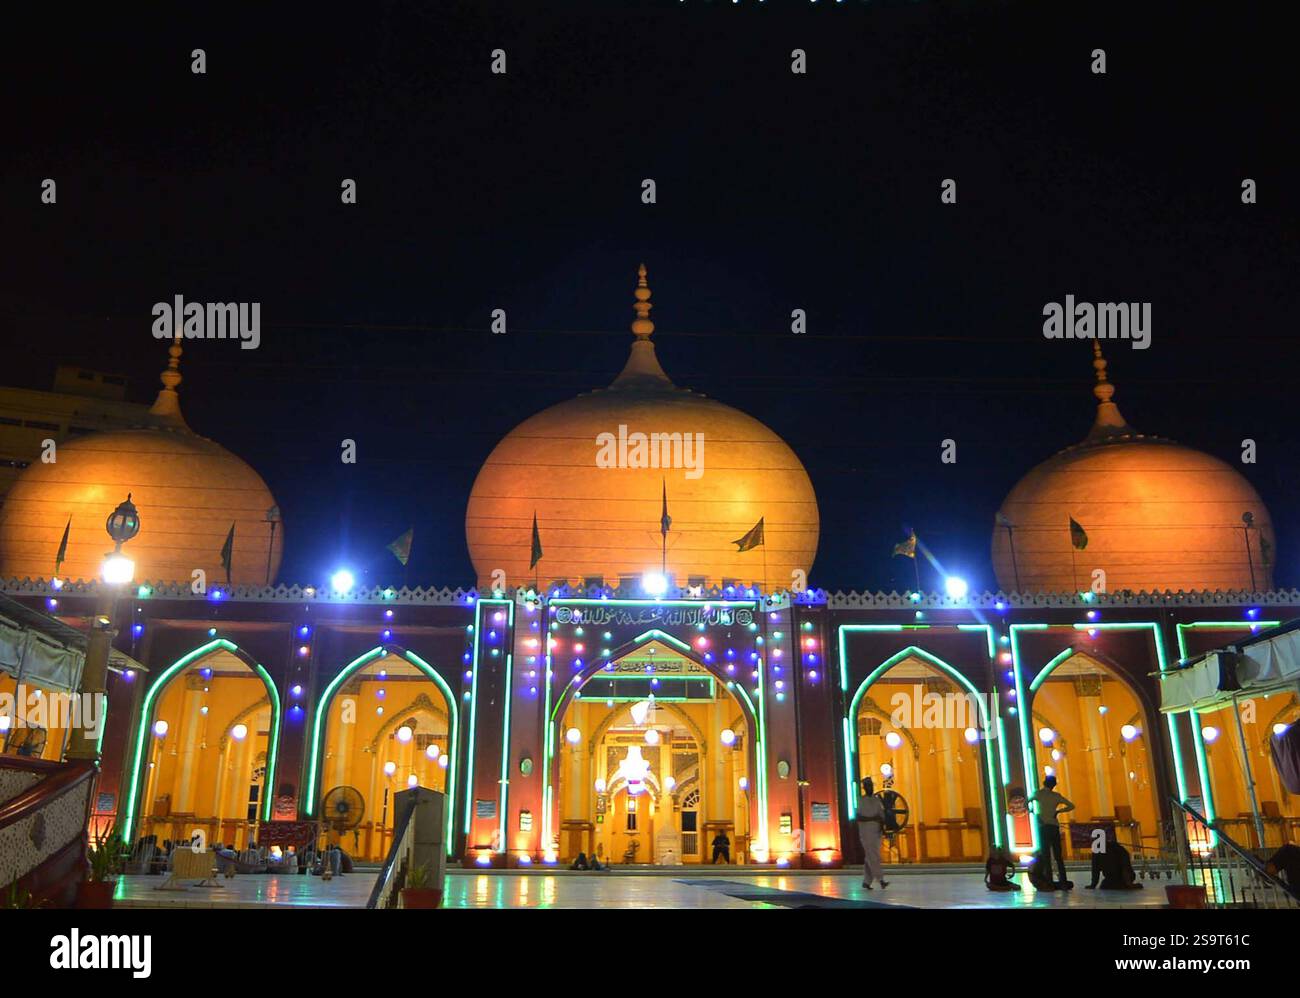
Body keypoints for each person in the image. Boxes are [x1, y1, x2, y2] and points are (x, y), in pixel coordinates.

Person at [1026, 775, 1074, 889]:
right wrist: (1058, 811)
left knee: (1046, 856)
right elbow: (1071, 806)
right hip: (1054, 826)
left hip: (1043, 826)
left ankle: (1049, 881)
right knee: (1058, 856)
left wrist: (1033, 813)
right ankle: (1063, 881)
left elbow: (1025, 803)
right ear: (1053, 785)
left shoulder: (1038, 794)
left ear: (1044, 783)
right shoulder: (1056, 796)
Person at [856, 777, 889, 890]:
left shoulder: (876, 800)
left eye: (871, 786)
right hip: (866, 833)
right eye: (868, 786)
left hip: (876, 833)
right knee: (873, 856)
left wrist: (882, 828)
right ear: (864, 788)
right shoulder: (860, 800)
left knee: (869, 857)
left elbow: (881, 816)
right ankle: (881, 880)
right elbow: (859, 817)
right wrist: (873, 818)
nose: (870, 788)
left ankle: (866, 882)